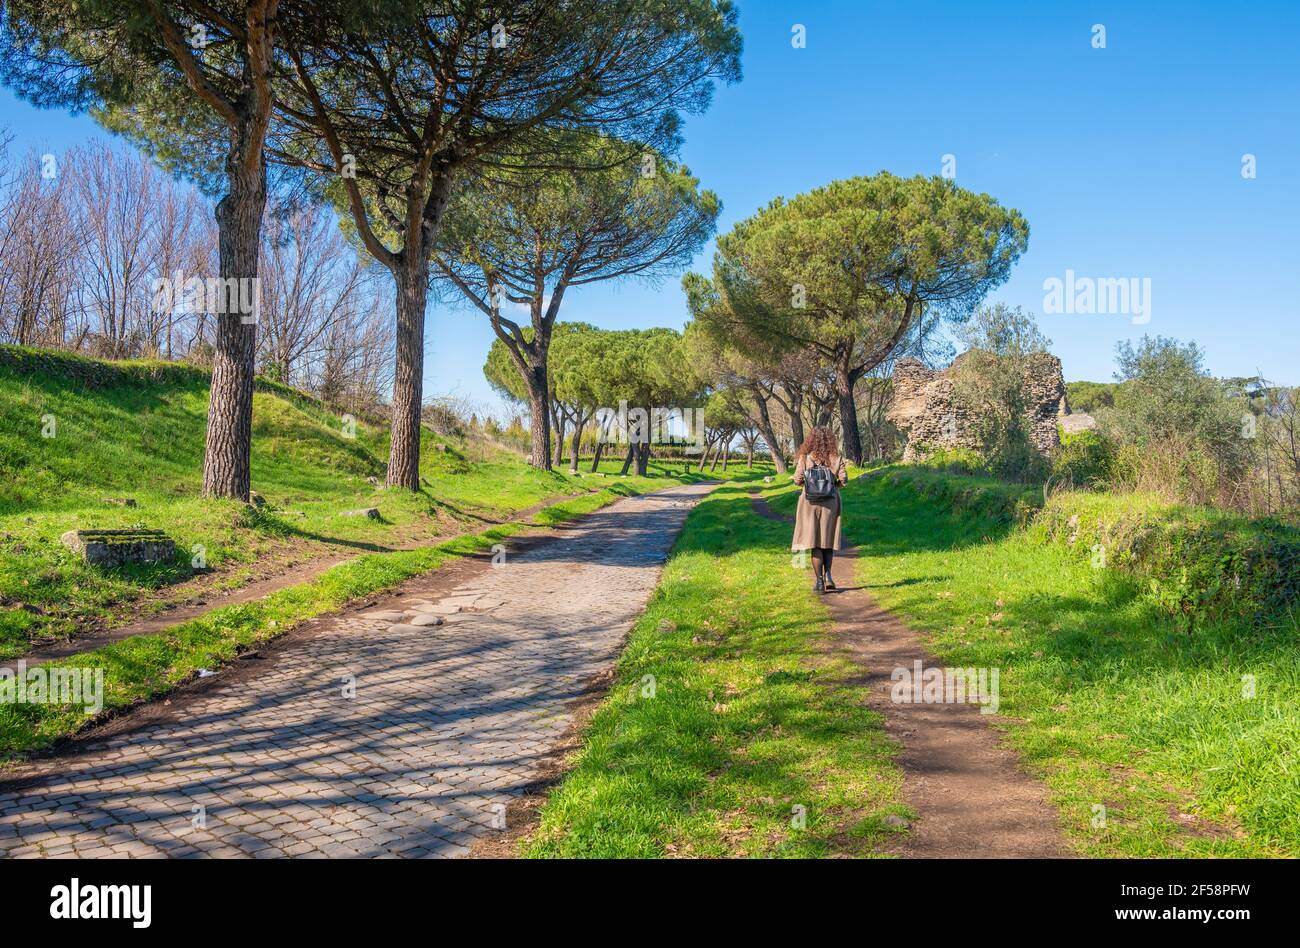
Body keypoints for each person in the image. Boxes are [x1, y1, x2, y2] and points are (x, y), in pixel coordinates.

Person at [791, 426, 849, 593]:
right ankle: (829, 575)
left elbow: (797, 480)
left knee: (815, 543)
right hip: (830, 503)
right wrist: (832, 486)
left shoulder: (805, 458)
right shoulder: (836, 458)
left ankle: (819, 582)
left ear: (811, 439)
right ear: (830, 440)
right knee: (827, 542)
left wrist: (808, 485)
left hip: (809, 504)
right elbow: (844, 480)